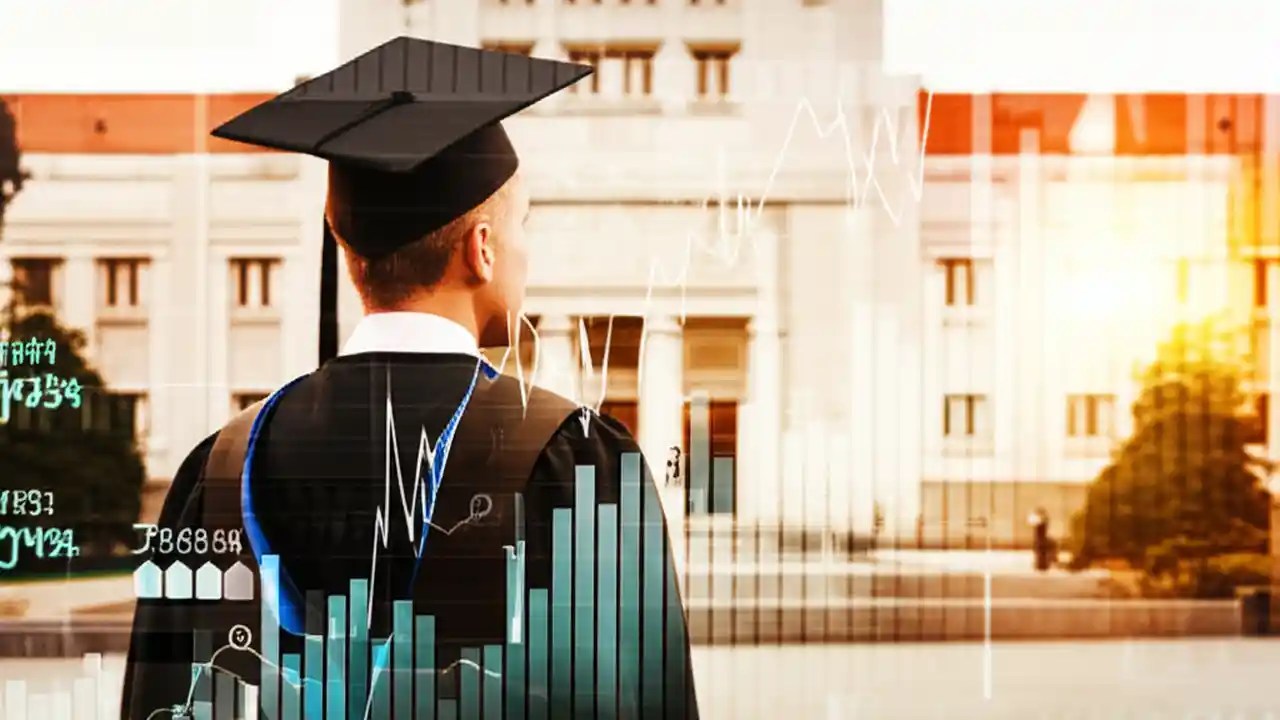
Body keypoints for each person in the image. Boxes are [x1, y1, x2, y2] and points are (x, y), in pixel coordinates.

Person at [122, 37, 700, 719]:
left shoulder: (221, 466)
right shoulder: (580, 462)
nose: (526, 249)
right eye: (522, 226)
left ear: (345, 244)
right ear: (482, 249)